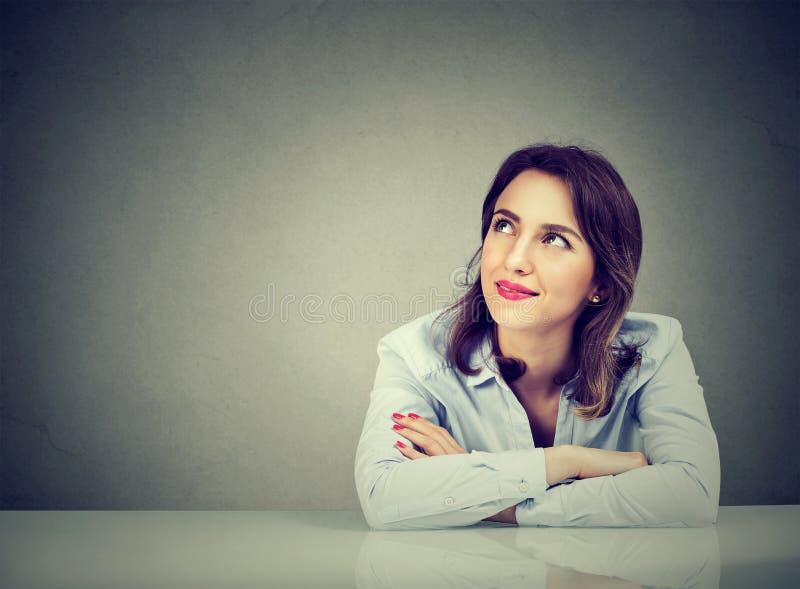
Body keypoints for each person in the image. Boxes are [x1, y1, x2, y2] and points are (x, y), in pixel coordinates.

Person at [354, 143, 720, 530]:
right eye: (504, 225)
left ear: (602, 284)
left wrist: (503, 505)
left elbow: (693, 495)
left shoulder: (655, 350)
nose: (513, 260)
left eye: (554, 239)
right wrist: (566, 463)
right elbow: (383, 496)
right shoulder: (415, 354)